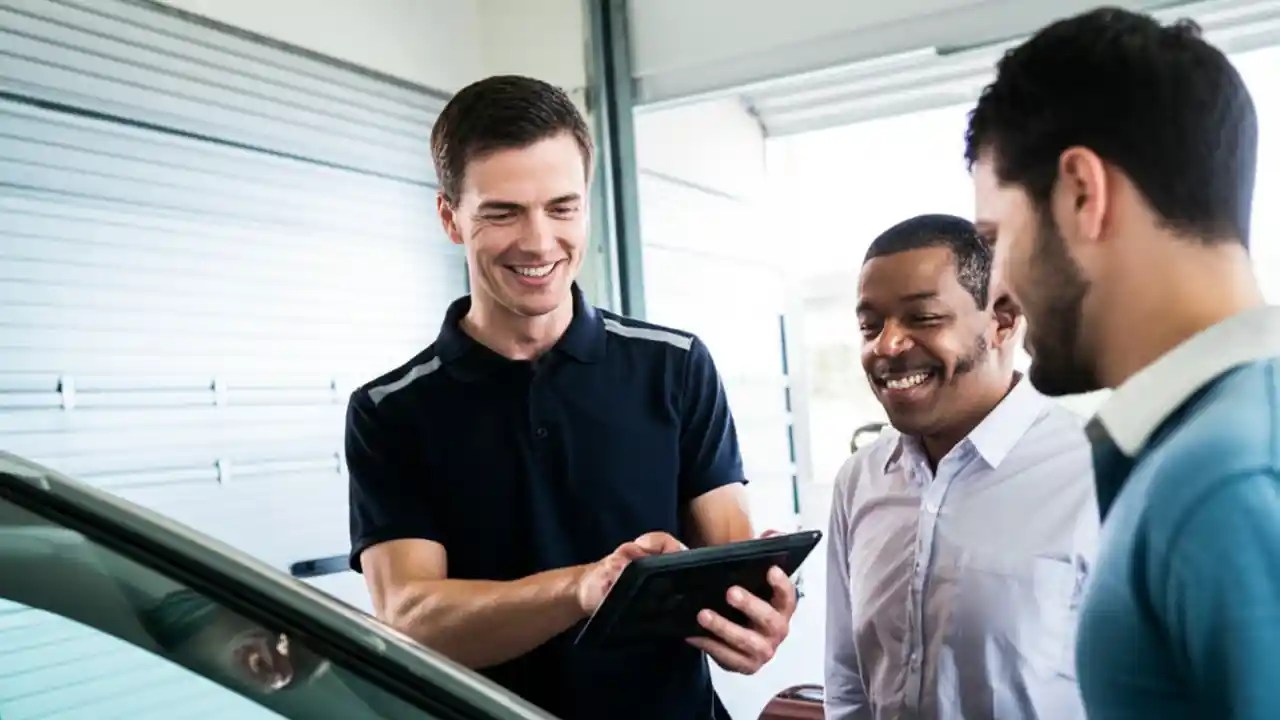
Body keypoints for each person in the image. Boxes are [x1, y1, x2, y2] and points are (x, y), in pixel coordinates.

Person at [344, 75, 795, 720]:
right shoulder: (389, 412)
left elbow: (726, 577)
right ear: (450, 218)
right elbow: (411, 619)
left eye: (562, 207)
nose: (538, 241)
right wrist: (581, 588)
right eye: (503, 212)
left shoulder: (676, 366)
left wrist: (754, 618)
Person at [967, 8, 1280, 719]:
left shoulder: (1228, 479)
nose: (997, 289)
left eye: (996, 237)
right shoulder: (1202, 452)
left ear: (1083, 192)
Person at [824, 214, 1096, 720]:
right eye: (870, 325)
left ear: (1004, 320)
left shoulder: (1098, 474)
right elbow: (848, 685)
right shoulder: (860, 481)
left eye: (923, 318)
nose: (886, 345)